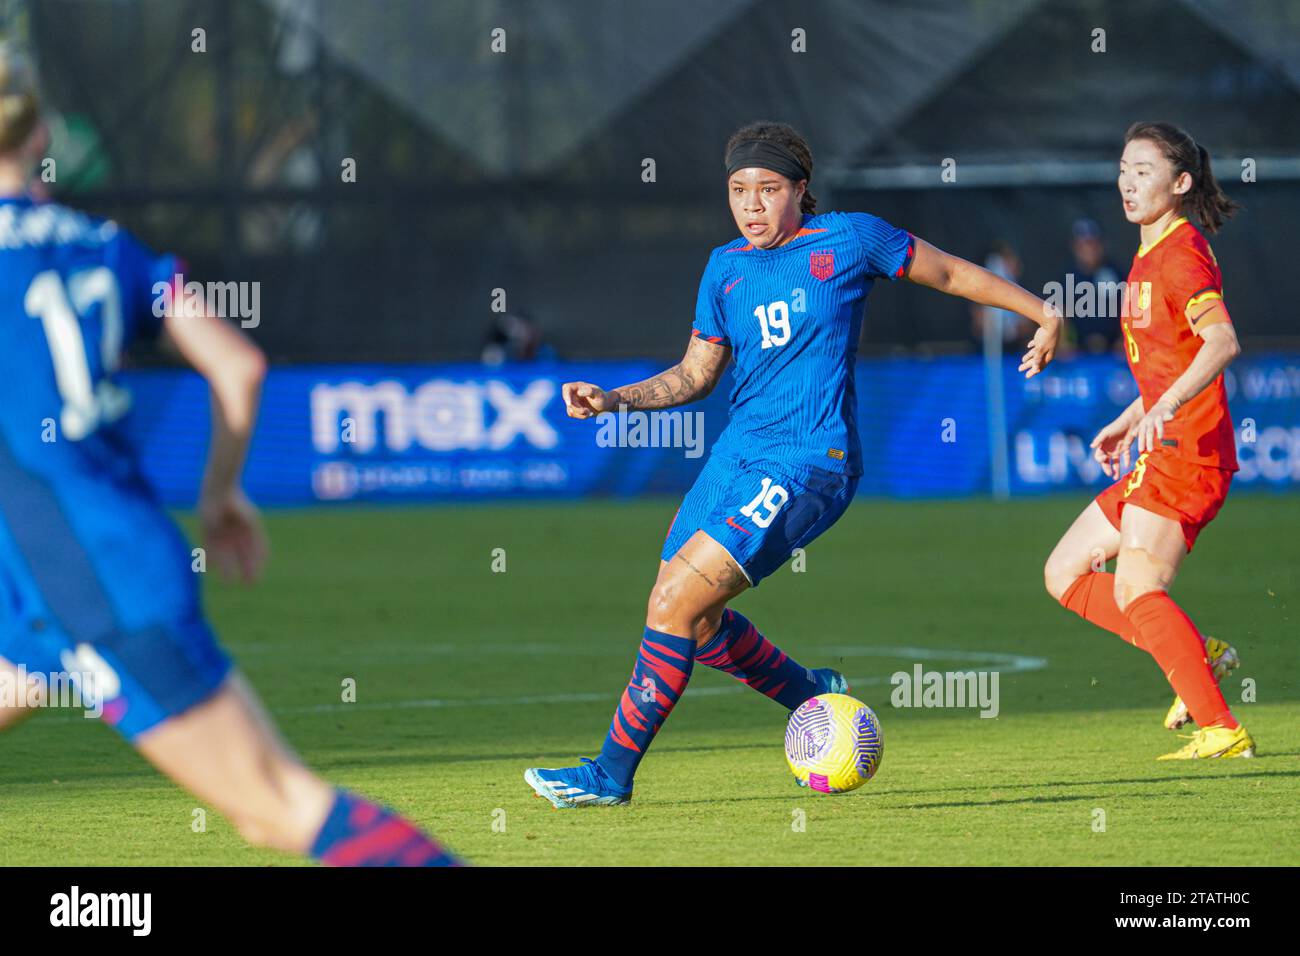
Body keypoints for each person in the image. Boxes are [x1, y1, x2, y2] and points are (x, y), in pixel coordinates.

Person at [0, 45, 459, 864]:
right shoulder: (105, 244)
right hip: (79, 558)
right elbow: (237, 366)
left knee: (281, 808)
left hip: (86, 574)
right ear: (39, 134)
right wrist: (220, 497)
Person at [524, 120, 1061, 807]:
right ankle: (811, 693)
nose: (752, 204)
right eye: (739, 190)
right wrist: (614, 400)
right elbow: (695, 375)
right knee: (700, 621)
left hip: (809, 463)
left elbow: (951, 272)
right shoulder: (725, 268)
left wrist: (1043, 313)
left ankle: (608, 776)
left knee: (672, 605)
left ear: (801, 191)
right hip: (735, 460)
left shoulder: (850, 240)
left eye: (768, 189)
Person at [1043, 121, 1251, 760]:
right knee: (1064, 572)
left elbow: (1222, 342)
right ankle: (1194, 653)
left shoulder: (1181, 254)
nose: (1127, 182)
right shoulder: (1147, 254)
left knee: (1137, 589)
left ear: (1180, 183)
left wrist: (1162, 407)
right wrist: (1135, 415)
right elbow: (1170, 360)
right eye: (1124, 168)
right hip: (1162, 444)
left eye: (1143, 171)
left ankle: (1222, 730)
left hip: (1189, 456)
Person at [1063, 218, 1124, 354]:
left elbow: (1131, 309)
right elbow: (1060, 315)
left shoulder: (1116, 273)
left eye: (1092, 244)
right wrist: (1065, 342)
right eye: (1083, 245)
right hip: (1079, 353)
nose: (1089, 250)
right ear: (1075, 247)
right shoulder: (1068, 278)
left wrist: (1123, 340)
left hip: (1114, 353)